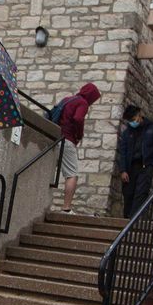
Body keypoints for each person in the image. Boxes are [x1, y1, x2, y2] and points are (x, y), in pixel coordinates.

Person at [56, 82, 101, 213]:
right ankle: (66, 208)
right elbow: (78, 118)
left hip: (55, 138)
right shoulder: (83, 103)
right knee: (72, 174)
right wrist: (79, 135)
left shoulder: (67, 99)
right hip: (67, 140)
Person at [118, 104, 153, 217]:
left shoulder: (152, 128)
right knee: (128, 194)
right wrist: (123, 170)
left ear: (139, 115)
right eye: (130, 121)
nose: (132, 123)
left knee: (141, 194)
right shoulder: (127, 133)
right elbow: (122, 152)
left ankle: (133, 220)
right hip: (130, 168)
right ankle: (127, 219)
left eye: (133, 120)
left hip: (145, 167)